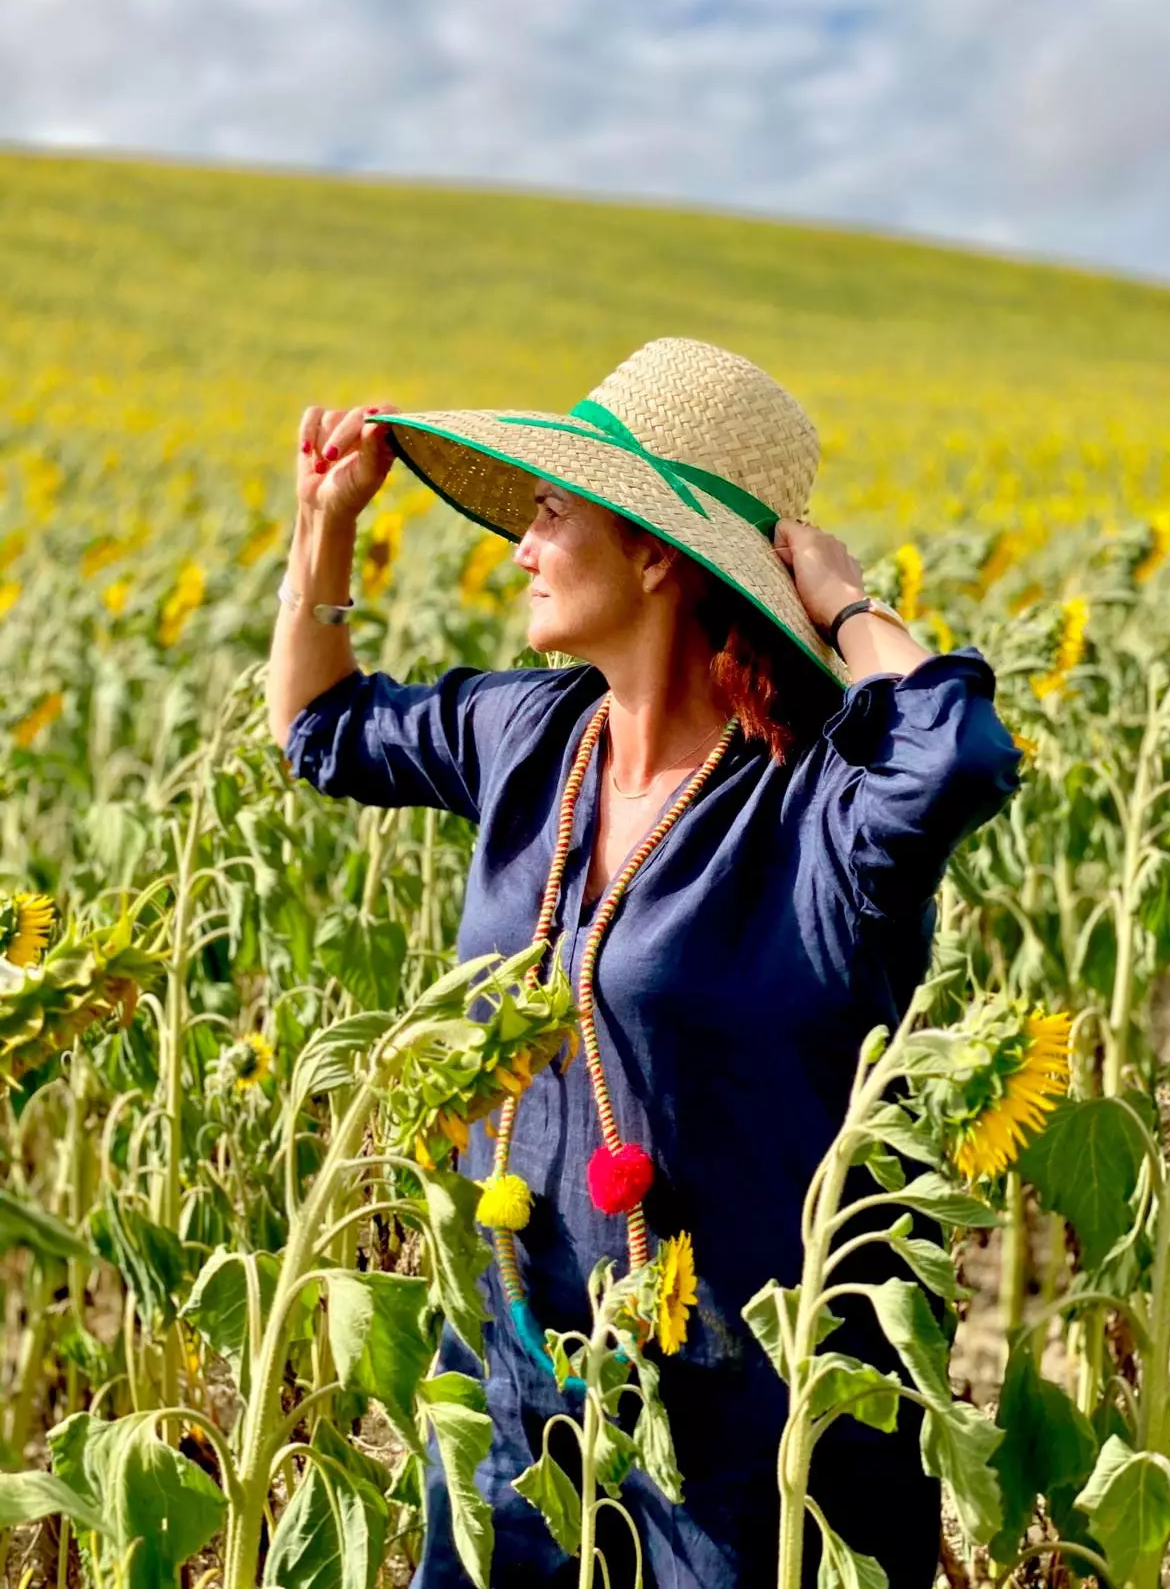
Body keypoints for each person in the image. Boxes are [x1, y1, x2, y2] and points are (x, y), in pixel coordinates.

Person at [267, 337, 1022, 1588]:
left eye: (553, 515)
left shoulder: (819, 804)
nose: (519, 546)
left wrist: (842, 602)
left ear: (656, 550)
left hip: (748, 1434)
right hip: (524, 1386)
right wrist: (323, 531)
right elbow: (322, 728)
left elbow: (957, 756)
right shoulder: (534, 734)